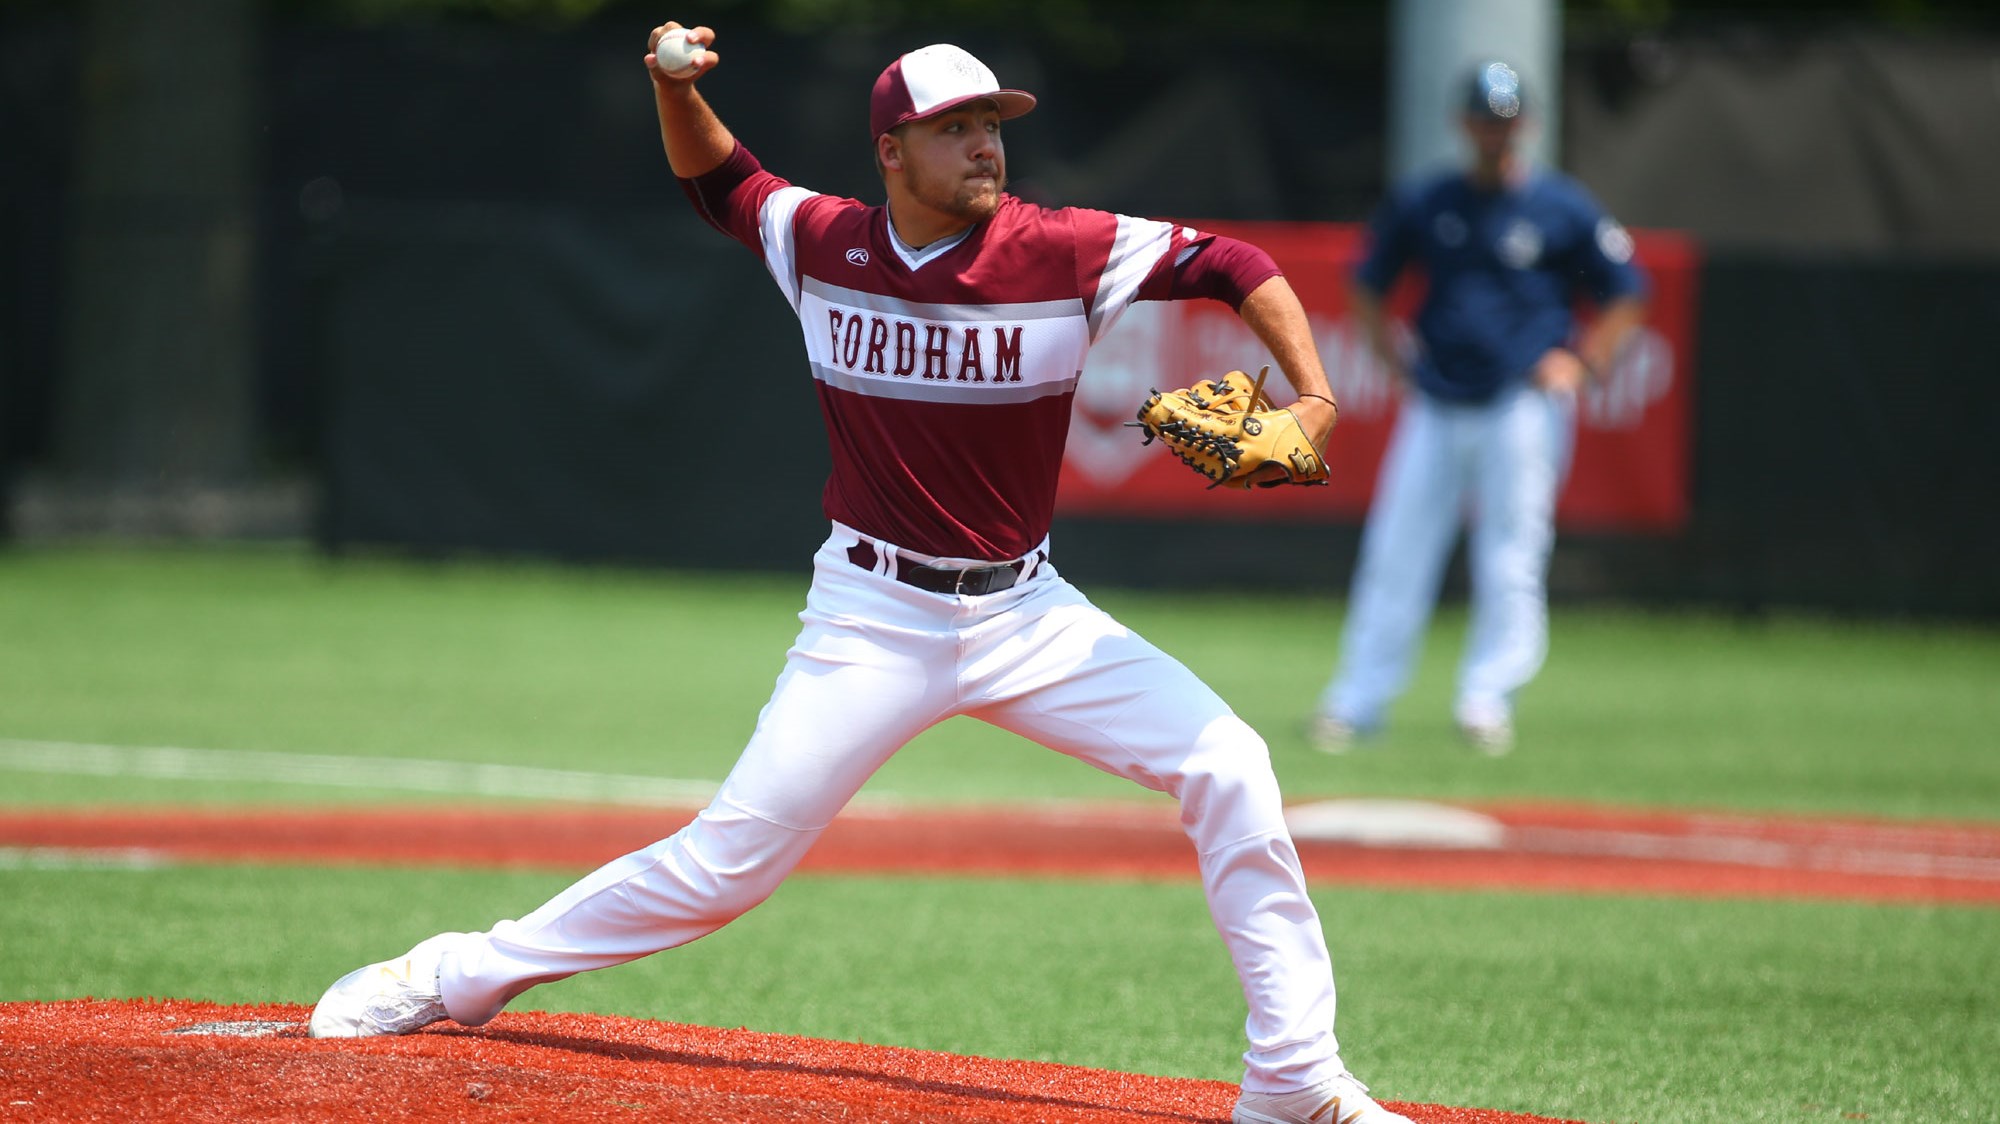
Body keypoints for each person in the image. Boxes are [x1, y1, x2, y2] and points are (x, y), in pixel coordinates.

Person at [308, 23, 1415, 1124]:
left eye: (992, 124)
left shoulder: (1064, 250)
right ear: (891, 150)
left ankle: (1294, 1079)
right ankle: (456, 973)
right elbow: (719, 182)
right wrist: (673, 87)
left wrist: (1314, 394)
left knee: (1228, 762)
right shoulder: (821, 242)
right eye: (954, 128)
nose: (985, 145)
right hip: (873, 612)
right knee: (726, 866)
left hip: (1029, 613)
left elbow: (1236, 264)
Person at [1310, 60, 1648, 757]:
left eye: (1506, 120)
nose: (1495, 132)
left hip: (1522, 402)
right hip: (1437, 399)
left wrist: (1584, 362)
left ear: (1526, 124)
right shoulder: (1428, 200)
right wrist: (1389, 356)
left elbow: (1626, 290)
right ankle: (1357, 700)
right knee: (1397, 550)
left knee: (1511, 556)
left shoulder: (1561, 206)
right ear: (1462, 124)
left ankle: (1487, 699)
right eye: (1484, 119)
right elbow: (1366, 281)